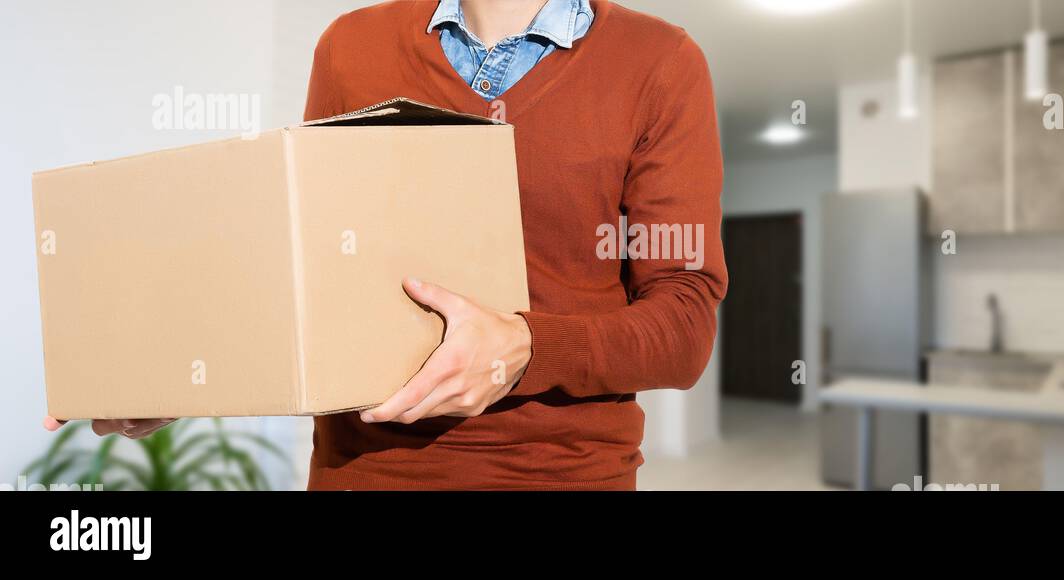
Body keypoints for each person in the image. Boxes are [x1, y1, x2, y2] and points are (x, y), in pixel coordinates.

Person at [44, 0, 726, 491]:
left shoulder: (660, 62)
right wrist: (186, 373)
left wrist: (525, 348)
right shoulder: (350, 45)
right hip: (361, 474)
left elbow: (686, 322)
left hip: (556, 474)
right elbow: (311, 271)